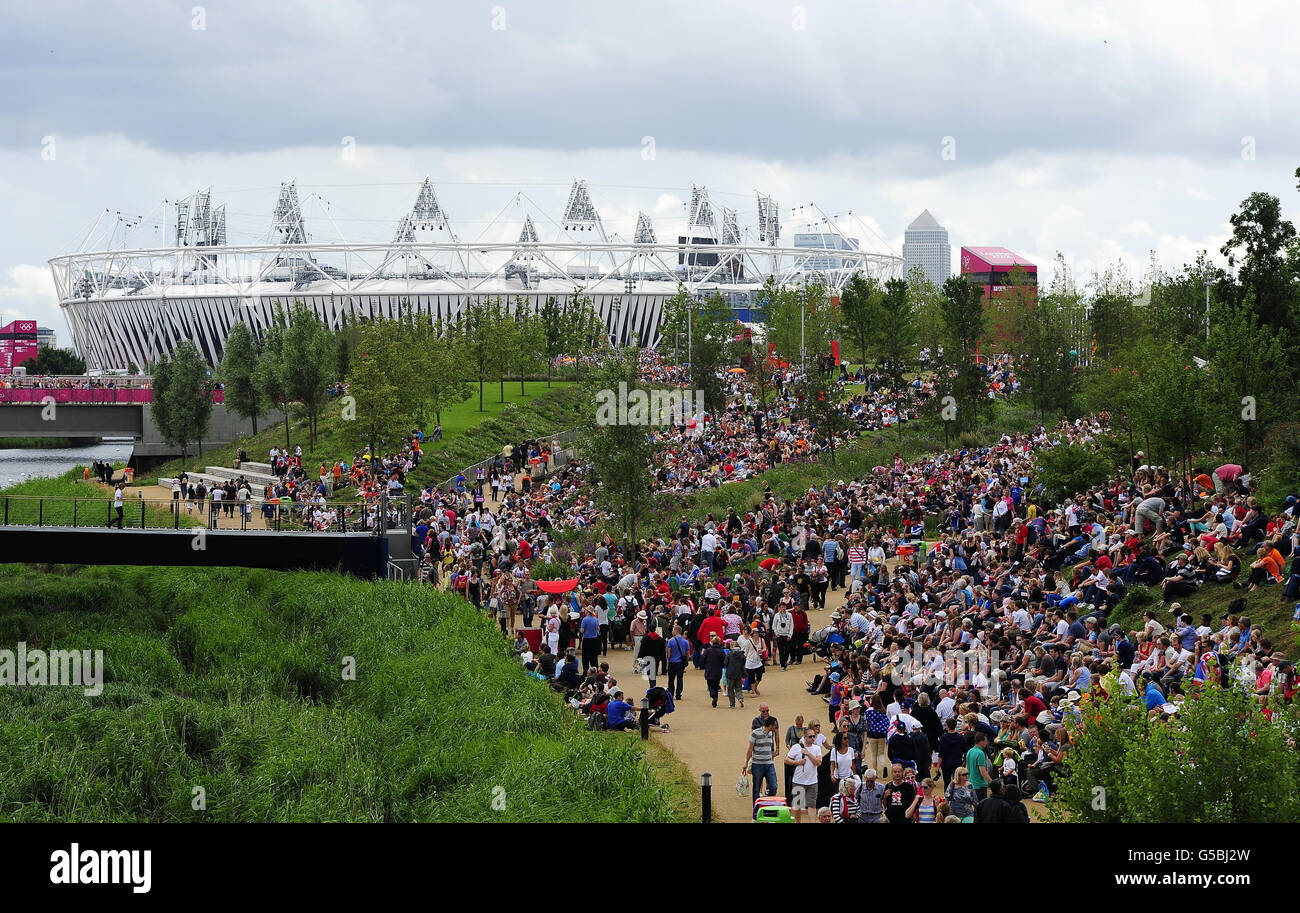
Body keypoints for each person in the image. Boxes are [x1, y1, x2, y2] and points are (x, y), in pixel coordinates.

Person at [785, 728, 823, 823]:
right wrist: (798, 762)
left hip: (812, 781)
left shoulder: (817, 748)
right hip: (798, 781)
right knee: (798, 805)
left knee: (812, 805)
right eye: (810, 736)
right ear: (805, 737)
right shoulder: (796, 747)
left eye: (814, 736)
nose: (813, 738)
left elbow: (818, 762)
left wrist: (808, 754)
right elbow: (787, 760)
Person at [744, 716, 780, 806]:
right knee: (756, 788)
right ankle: (756, 810)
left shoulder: (771, 734)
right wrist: (746, 763)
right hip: (757, 764)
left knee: (774, 786)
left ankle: (769, 805)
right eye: (775, 726)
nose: (776, 728)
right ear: (770, 725)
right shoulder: (755, 733)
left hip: (769, 764)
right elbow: (750, 749)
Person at [966, 732, 993, 801]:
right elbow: (983, 771)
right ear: (981, 741)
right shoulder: (981, 753)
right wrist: (992, 783)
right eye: (985, 741)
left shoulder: (970, 751)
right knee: (982, 807)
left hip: (971, 783)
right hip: (980, 785)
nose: (986, 743)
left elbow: (967, 767)